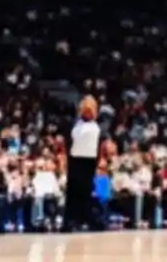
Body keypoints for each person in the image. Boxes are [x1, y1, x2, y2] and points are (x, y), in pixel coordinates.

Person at [65, 95, 101, 231]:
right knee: (73, 192)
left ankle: (86, 219)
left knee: (86, 192)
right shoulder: (75, 124)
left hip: (89, 161)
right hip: (75, 160)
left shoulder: (97, 127)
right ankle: (71, 221)